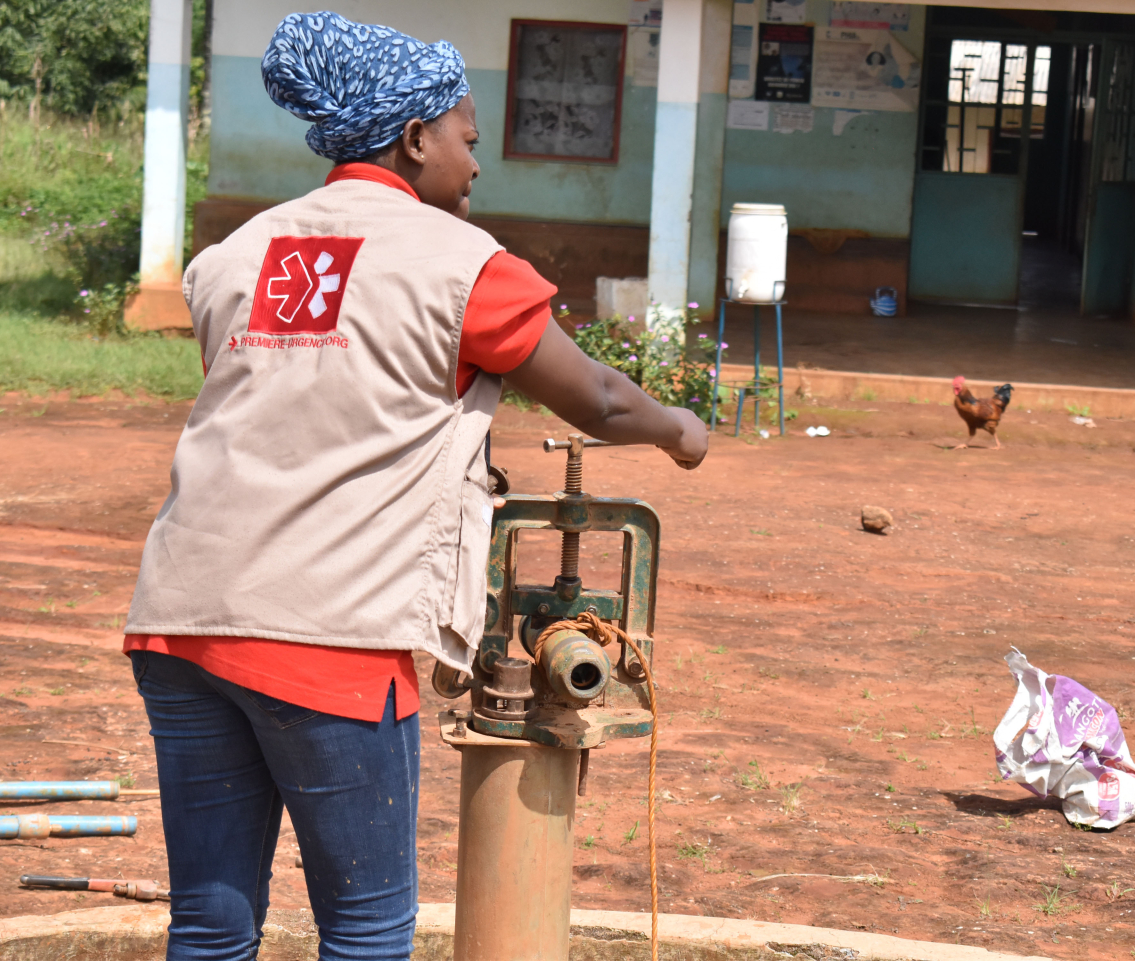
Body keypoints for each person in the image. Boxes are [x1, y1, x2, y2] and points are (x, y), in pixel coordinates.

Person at [122, 11, 708, 961]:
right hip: (330, 635)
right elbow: (597, 396)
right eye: (468, 141)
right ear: (414, 137)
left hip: (179, 618)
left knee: (212, 925)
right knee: (365, 930)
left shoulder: (234, 256)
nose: (475, 166)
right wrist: (684, 431)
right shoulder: (464, 268)